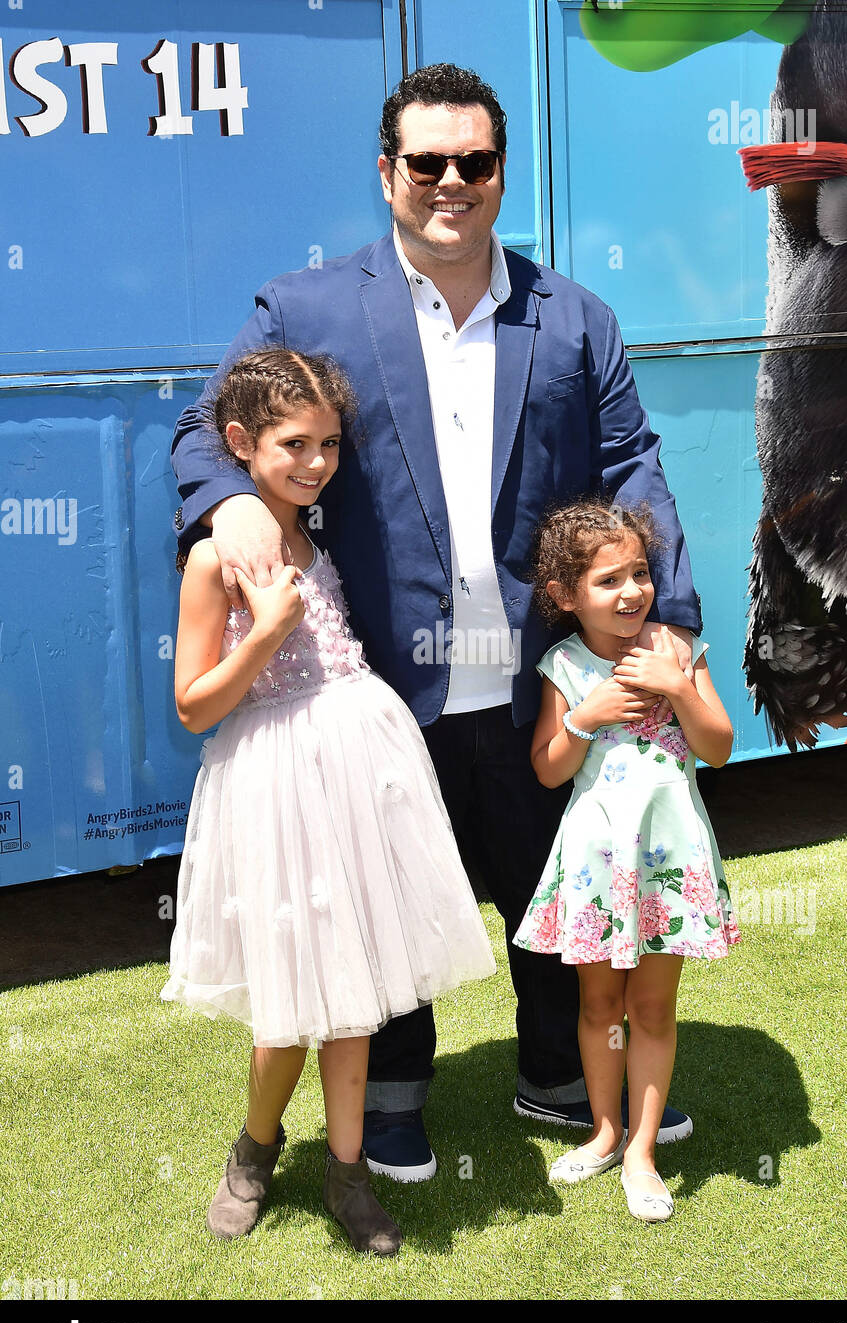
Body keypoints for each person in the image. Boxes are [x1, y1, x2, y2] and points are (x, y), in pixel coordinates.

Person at [170, 63, 704, 1182]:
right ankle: (398, 1098)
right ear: (387, 172)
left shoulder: (571, 319)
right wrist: (225, 506)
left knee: (545, 867)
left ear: (502, 172)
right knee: (388, 885)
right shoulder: (307, 307)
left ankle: (559, 1072)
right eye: (427, 161)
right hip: (375, 682)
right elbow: (200, 427)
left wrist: (673, 625)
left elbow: (631, 465)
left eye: (476, 161)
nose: (451, 181)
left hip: (528, 673)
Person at [161, 349, 496, 1255]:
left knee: (357, 997)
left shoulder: (316, 535)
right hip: (276, 785)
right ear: (238, 443)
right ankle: (255, 1149)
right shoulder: (214, 560)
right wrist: (266, 633)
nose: (316, 463)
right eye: (292, 444)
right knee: (290, 1010)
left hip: (359, 772)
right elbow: (193, 704)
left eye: (330, 444)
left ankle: (347, 1173)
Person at [513, 500, 740, 1221]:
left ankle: (643, 1151)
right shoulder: (565, 665)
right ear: (564, 596)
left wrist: (677, 688)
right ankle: (605, 1131)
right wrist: (589, 713)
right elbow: (549, 769)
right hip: (594, 865)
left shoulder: (679, 649)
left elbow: (720, 745)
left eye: (639, 572)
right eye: (608, 580)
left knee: (651, 1008)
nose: (632, 592)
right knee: (599, 1006)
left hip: (669, 859)